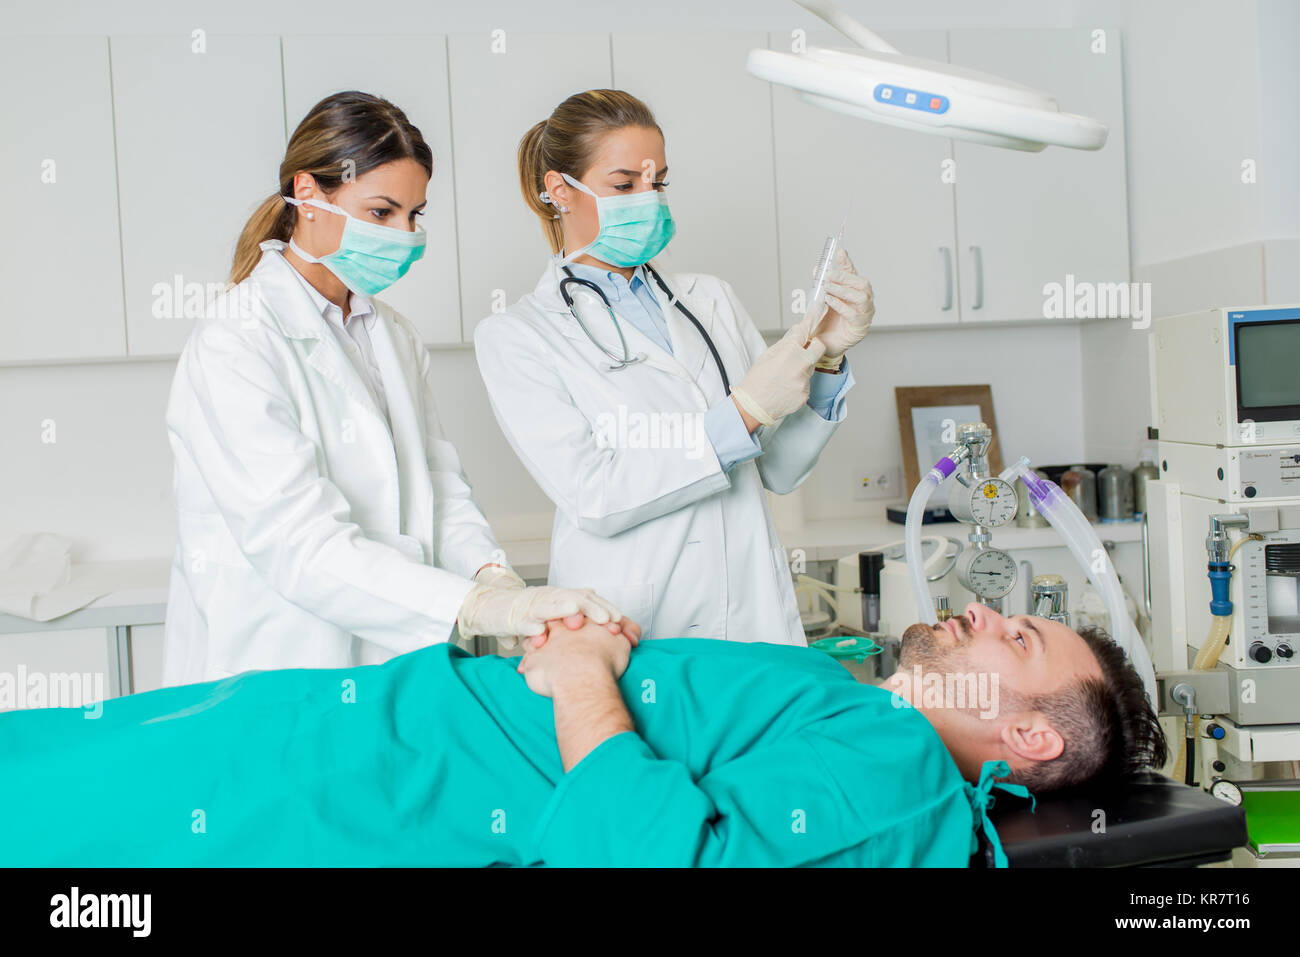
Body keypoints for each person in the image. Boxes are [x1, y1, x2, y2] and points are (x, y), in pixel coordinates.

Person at [0, 603, 1165, 867]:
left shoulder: (900, 772)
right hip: (350, 729)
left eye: (1015, 639)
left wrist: (580, 679)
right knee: (49, 755)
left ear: (1028, 743)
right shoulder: (871, 705)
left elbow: (660, 862)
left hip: (368, 792)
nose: (984, 611)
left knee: (51, 811)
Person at [162, 91, 634, 685]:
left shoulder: (391, 335)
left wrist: (492, 576)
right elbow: (296, 543)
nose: (405, 234)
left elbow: (439, 485)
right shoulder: (237, 340)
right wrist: (470, 607)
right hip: (283, 662)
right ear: (307, 194)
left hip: (394, 664)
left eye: (415, 214)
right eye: (382, 212)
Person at [474, 90, 874, 645]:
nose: (648, 199)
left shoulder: (710, 300)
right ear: (560, 191)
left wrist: (826, 362)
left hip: (752, 626)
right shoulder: (517, 335)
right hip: (628, 627)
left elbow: (777, 470)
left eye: (657, 182)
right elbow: (596, 495)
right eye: (624, 185)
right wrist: (742, 413)